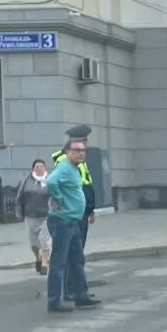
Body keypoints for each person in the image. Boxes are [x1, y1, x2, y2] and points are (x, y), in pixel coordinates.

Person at [45, 139, 101, 313]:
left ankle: (80, 296)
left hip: (73, 220)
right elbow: (51, 181)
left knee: (77, 260)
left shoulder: (75, 169)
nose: (81, 153)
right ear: (67, 152)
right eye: (76, 150)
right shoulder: (64, 166)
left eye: (83, 150)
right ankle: (54, 301)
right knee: (59, 261)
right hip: (62, 220)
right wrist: (60, 200)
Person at [52, 124, 96, 300]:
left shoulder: (80, 162)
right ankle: (68, 291)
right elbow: (54, 183)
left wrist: (90, 209)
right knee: (69, 256)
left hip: (80, 212)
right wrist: (61, 202)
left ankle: (77, 291)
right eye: (83, 142)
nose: (84, 147)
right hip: (69, 215)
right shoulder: (65, 162)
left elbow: (85, 186)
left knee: (76, 255)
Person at [15, 159, 52, 275]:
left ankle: (45, 263)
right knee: (33, 243)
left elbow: (57, 196)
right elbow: (19, 196)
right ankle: (38, 257)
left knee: (44, 240)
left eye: (41, 166)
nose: (39, 168)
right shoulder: (27, 180)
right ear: (33, 169)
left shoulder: (51, 180)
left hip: (46, 216)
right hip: (30, 215)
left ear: (45, 168)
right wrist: (19, 213)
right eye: (37, 167)